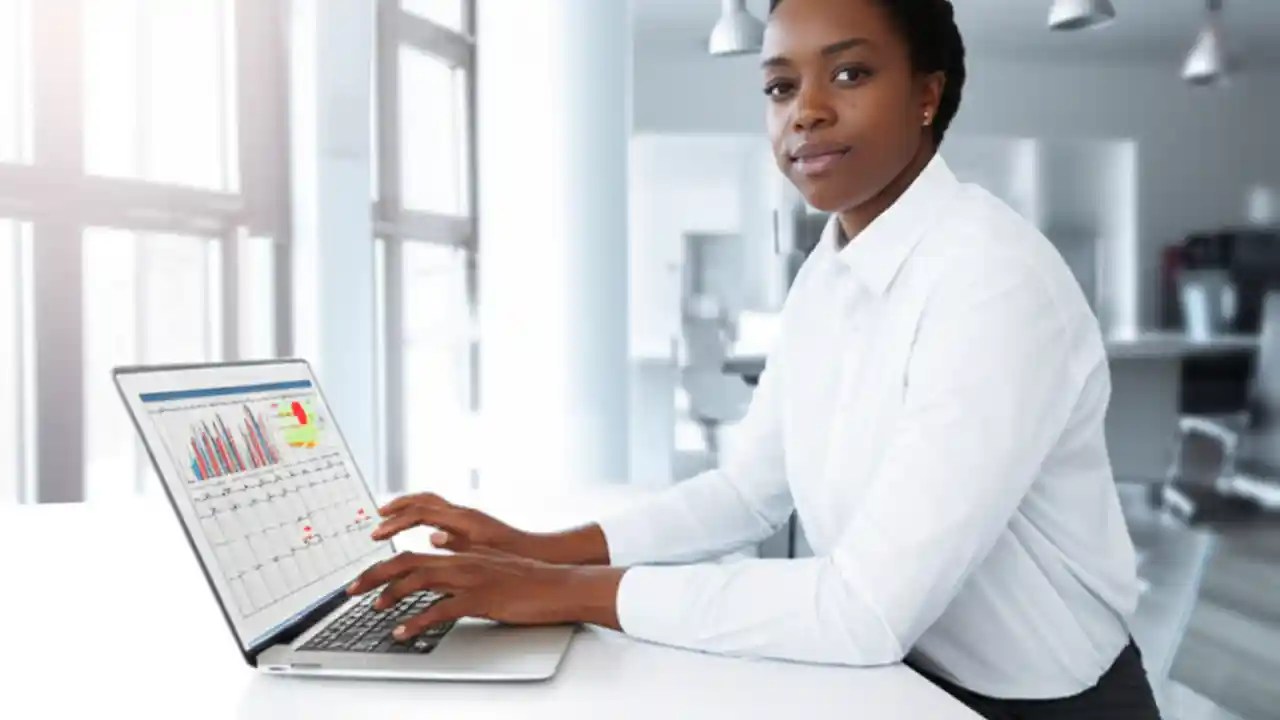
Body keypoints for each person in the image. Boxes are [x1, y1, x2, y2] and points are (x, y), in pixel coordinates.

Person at [346, 0, 1160, 716]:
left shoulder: (992, 279)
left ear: (927, 94)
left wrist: (564, 591)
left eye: (849, 74)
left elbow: (863, 610)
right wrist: (538, 546)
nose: (806, 112)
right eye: (779, 87)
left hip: (1040, 705)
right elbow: (747, 491)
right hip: (910, 681)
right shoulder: (830, 269)